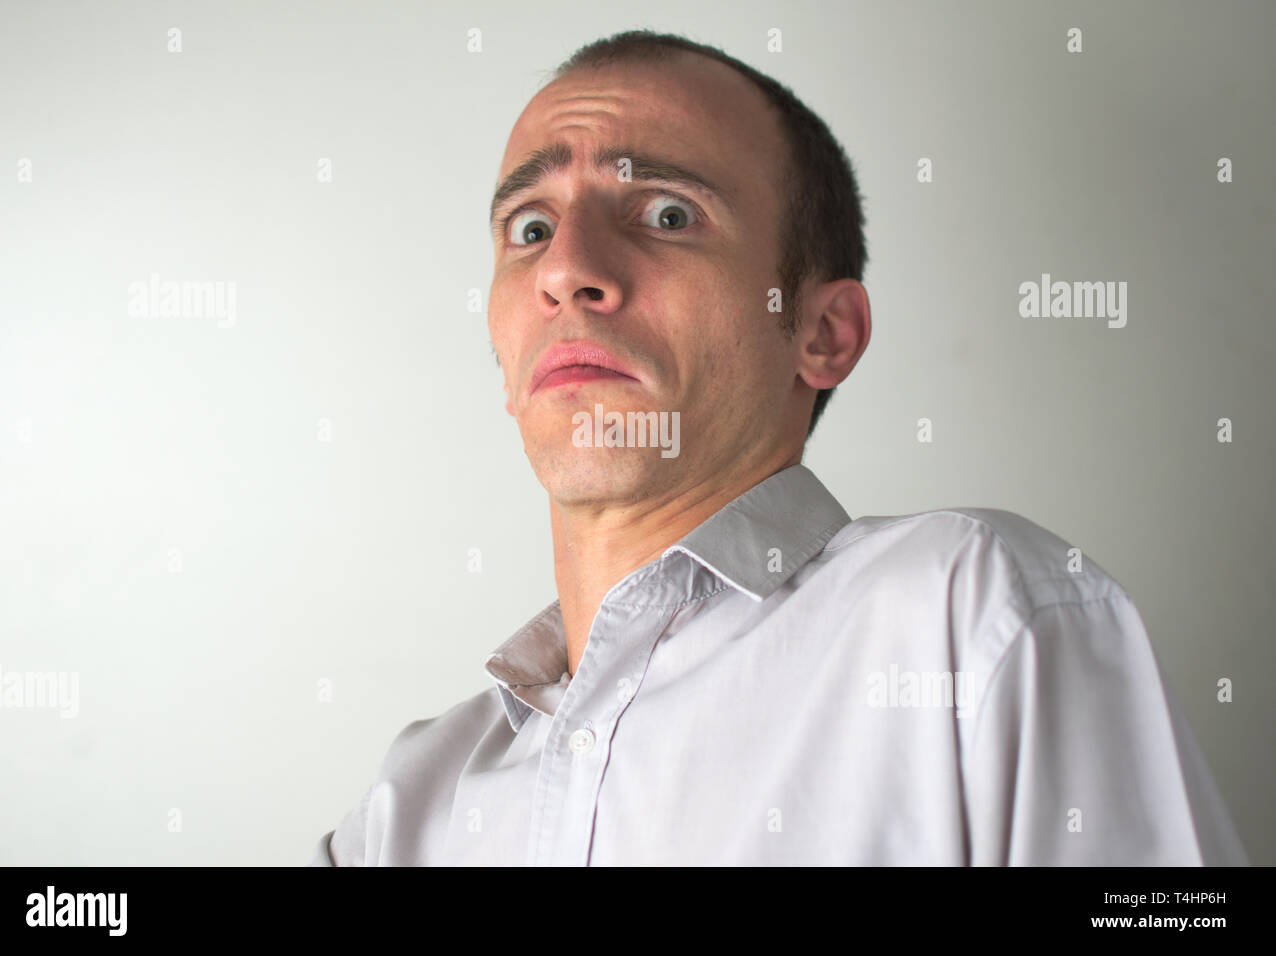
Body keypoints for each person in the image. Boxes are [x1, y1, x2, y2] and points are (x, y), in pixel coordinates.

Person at [308, 30, 1248, 866]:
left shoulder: (977, 617)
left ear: (823, 333)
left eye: (668, 213)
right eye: (531, 228)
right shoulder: (404, 813)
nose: (565, 269)